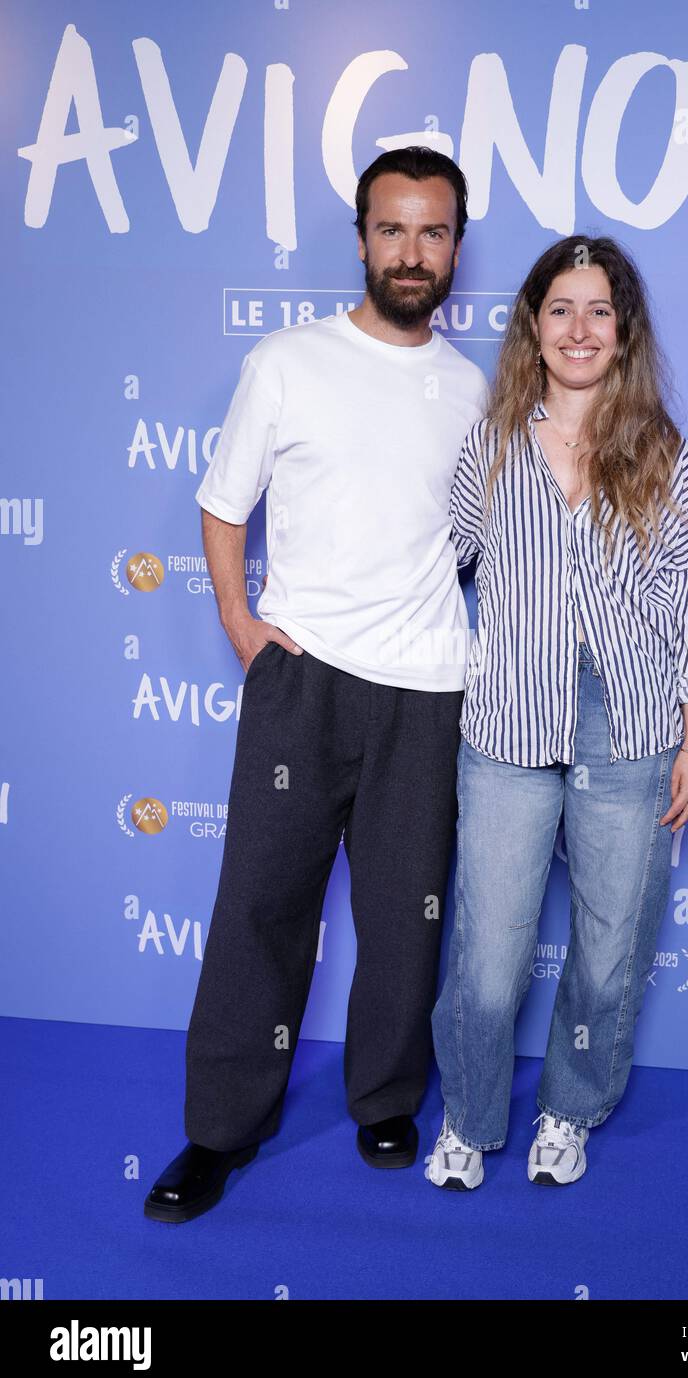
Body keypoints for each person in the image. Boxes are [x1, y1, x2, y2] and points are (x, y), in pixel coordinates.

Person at [144, 147, 488, 1223]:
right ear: (360, 239)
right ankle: (219, 1130)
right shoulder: (285, 361)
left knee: (404, 918)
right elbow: (221, 505)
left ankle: (385, 1099)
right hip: (303, 681)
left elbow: (471, 543)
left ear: (454, 247)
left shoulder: (471, 387)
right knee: (261, 907)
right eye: (392, 229)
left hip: (429, 689)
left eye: (432, 232)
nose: (411, 251)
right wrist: (245, 630)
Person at [425, 235, 688, 1191]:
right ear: (534, 325)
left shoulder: (662, 453)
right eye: (562, 309)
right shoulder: (493, 441)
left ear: (623, 331)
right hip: (511, 718)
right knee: (488, 951)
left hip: (630, 726)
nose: (581, 329)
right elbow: (436, 563)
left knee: (610, 945)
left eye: (601, 311)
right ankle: (469, 1118)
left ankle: (569, 1108)